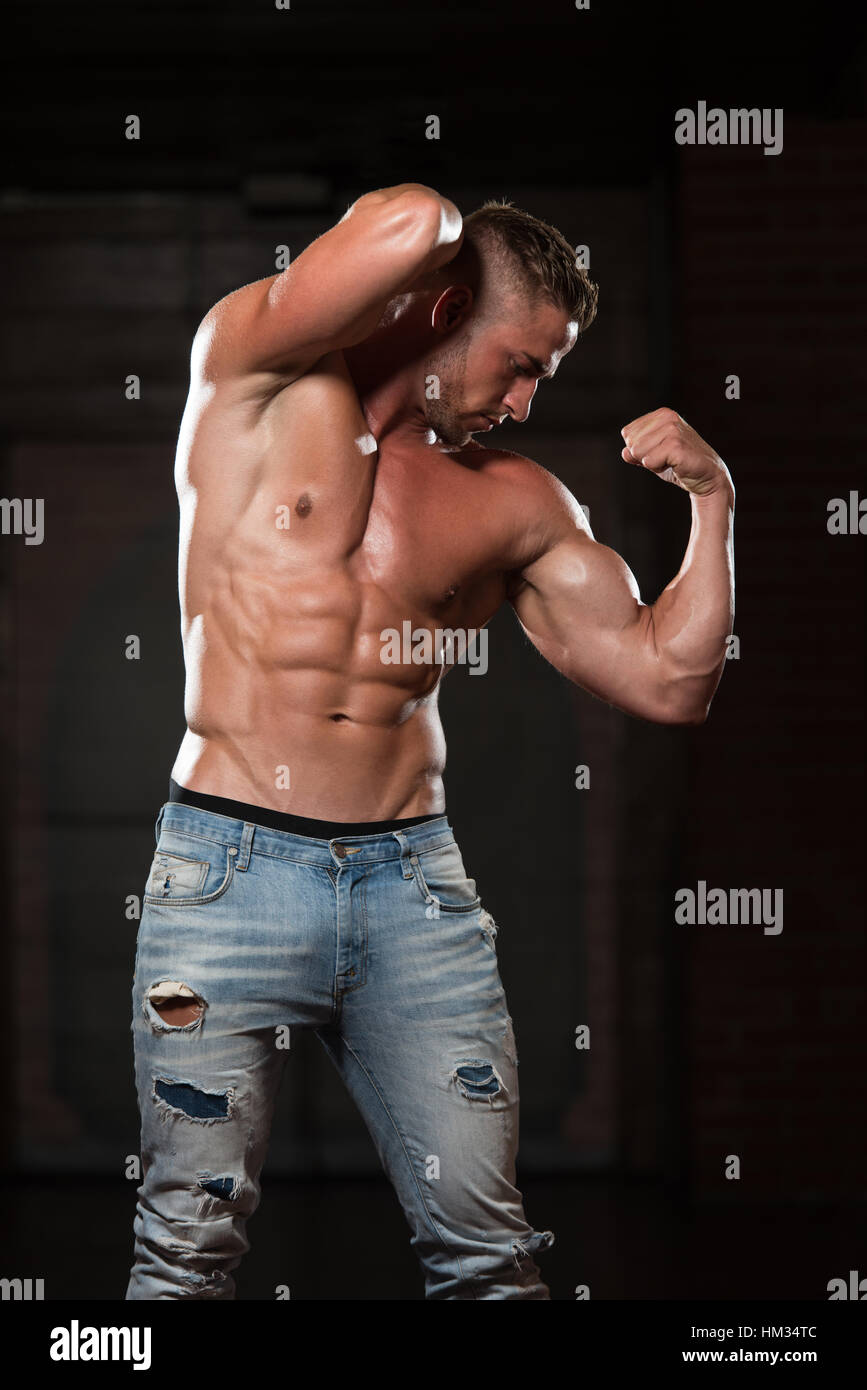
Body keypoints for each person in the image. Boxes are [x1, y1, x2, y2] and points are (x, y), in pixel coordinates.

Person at [126, 183, 735, 1299]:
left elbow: (669, 681)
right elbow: (412, 222)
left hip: (414, 891)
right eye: (520, 362)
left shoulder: (513, 501)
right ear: (447, 305)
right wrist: (450, 251)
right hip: (228, 875)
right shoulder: (253, 374)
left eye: (541, 376)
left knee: (491, 1254)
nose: (525, 399)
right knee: (187, 1252)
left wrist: (715, 500)